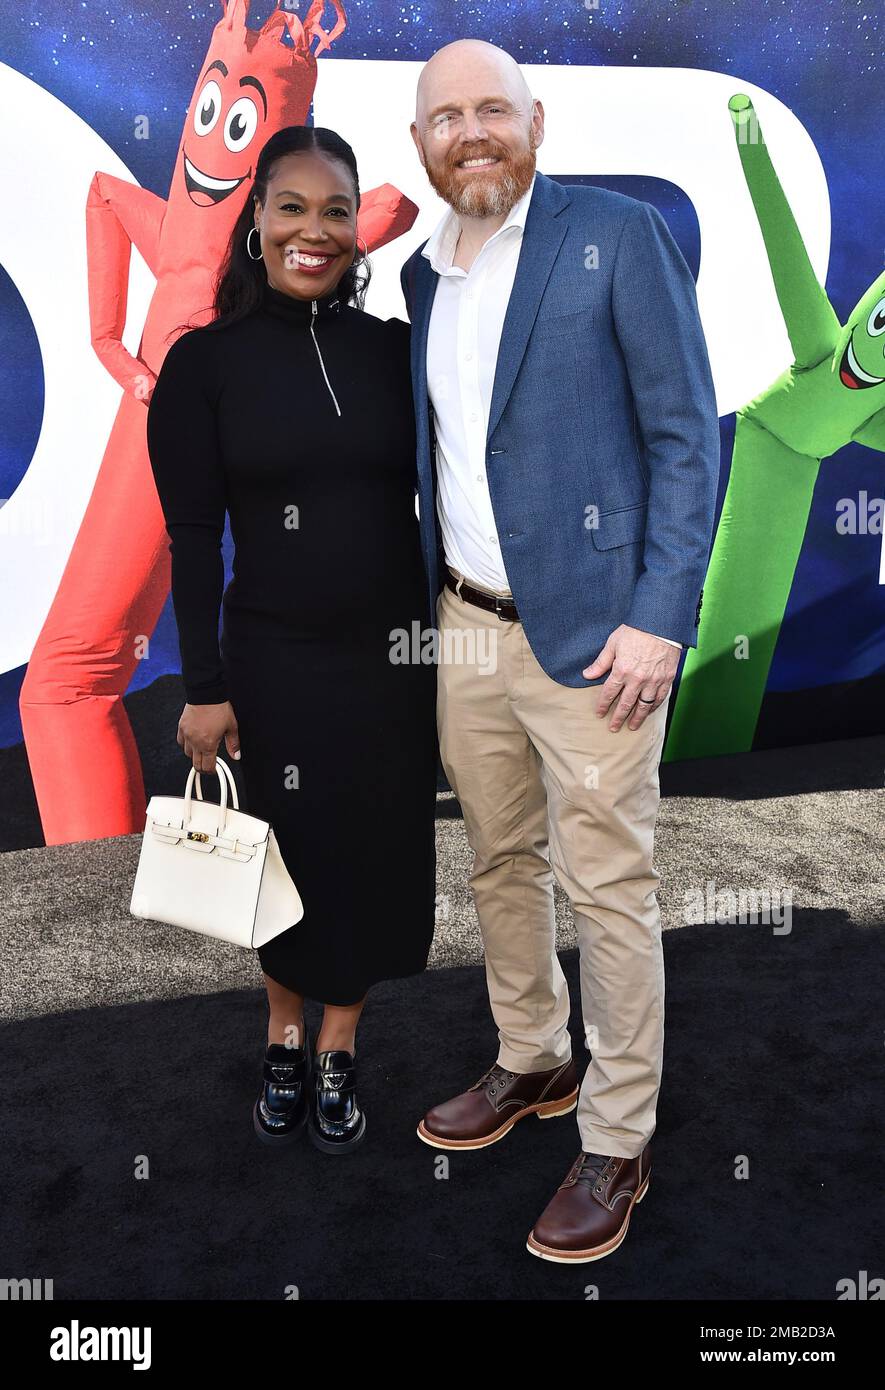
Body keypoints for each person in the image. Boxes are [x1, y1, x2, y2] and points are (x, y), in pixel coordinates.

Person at [401, 40, 720, 1259]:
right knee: (496, 860)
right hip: (466, 628)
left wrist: (662, 615)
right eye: (447, 117)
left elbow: (687, 437)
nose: (471, 132)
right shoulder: (423, 274)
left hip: (600, 642)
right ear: (421, 143)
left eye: (493, 109)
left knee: (610, 887)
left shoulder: (617, 236)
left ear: (538, 120)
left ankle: (618, 1134)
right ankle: (533, 1058)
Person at [146, 125, 437, 1155]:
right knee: (288, 854)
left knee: (369, 853)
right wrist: (204, 685)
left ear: (361, 229)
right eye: (293, 207)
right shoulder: (204, 364)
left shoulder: (398, 351)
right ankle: (281, 1032)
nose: (314, 230)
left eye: (336, 210)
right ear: (255, 220)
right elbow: (190, 537)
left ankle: (339, 1047)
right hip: (272, 664)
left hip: (396, 660)